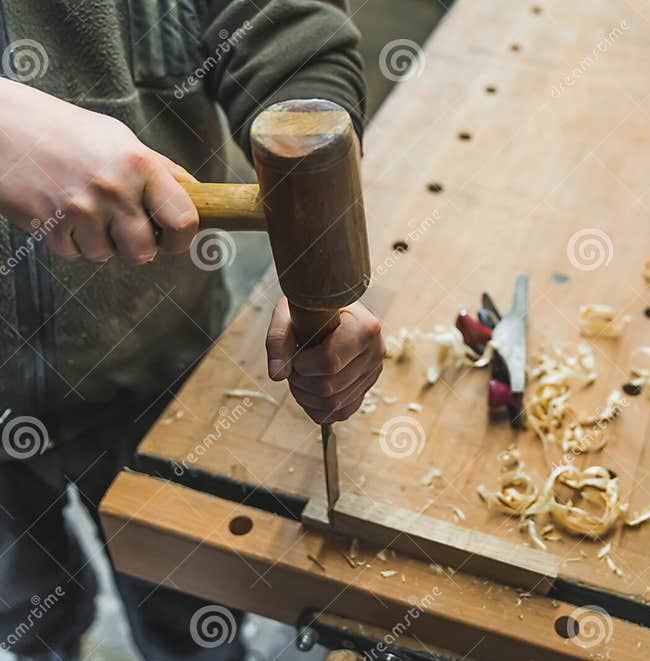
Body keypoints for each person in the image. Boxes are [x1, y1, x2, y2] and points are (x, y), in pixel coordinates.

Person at [0, 1, 384, 659]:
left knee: (191, 611)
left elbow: (289, 26)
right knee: (24, 610)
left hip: (162, 367)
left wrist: (314, 240)